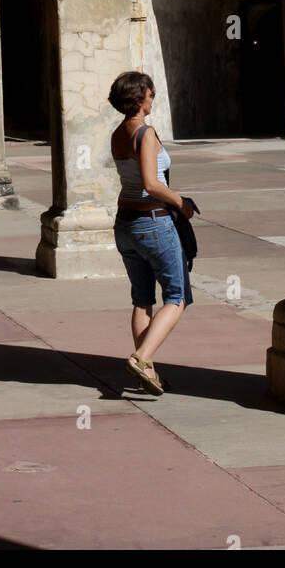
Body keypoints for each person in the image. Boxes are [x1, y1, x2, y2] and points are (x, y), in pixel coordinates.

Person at [109, 70, 195, 395]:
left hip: (126, 225)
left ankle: (147, 372)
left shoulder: (118, 133)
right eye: (150, 92)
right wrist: (182, 203)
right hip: (153, 221)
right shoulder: (144, 133)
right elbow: (151, 183)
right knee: (177, 297)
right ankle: (143, 357)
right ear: (140, 97)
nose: (152, 97)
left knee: (142, 299)